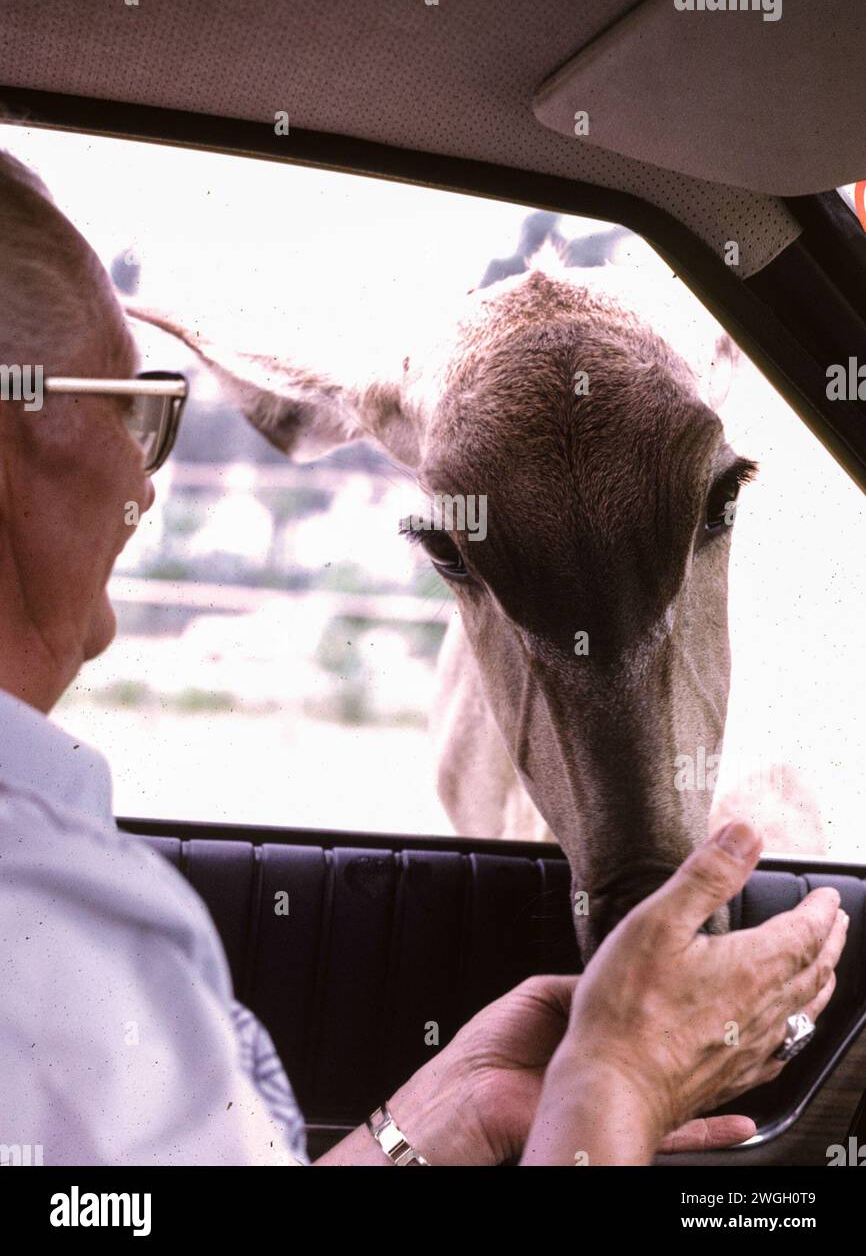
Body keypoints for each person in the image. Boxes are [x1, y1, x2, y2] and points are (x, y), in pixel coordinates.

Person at [0, 150, 848, 1166]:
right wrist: (616, 1082)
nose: (148, 455)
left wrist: (427, 1124)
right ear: (19, 435)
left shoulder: (53, 878)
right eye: (130, 402)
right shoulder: (47, 917)